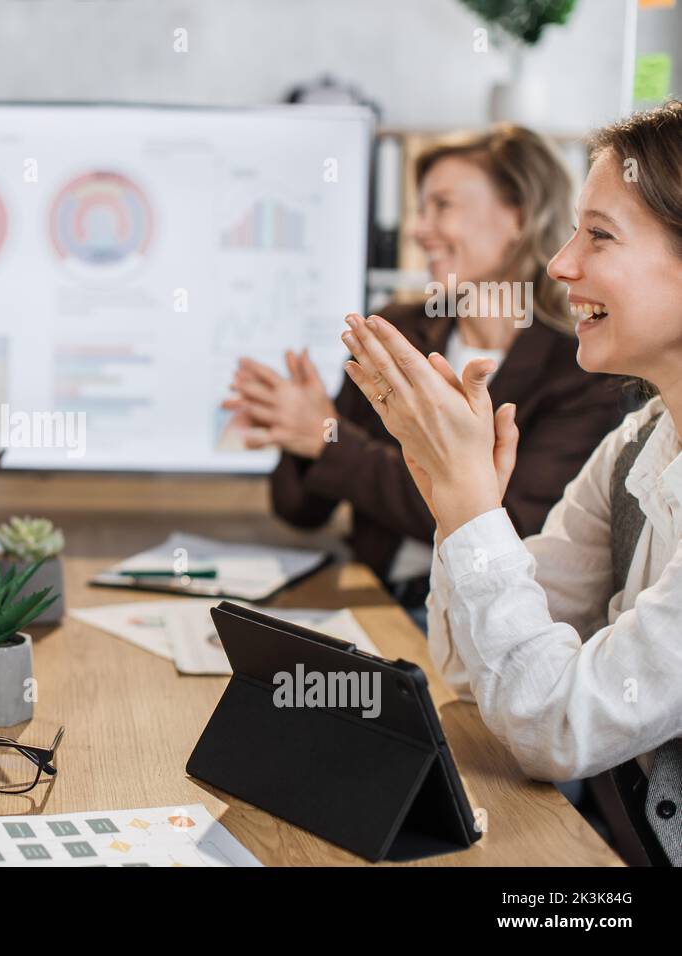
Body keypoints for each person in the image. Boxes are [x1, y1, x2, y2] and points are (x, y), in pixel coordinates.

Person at [342, 101, 682, 866]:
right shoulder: (640, 444)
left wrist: (470, 508)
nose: (560, 265)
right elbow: (476, 673)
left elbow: (557, 723)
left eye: (599, 235)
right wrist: (457, 503)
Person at [223, 126, 623, 621]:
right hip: (373, 604)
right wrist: (300, 428)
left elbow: (503, 524)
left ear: (518, 215)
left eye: (443, 206)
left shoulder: (580, 369)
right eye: (420, 209)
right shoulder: (400, 329)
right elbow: (300, 510)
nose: (418, 229)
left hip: (480, 627)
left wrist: (328, 440)